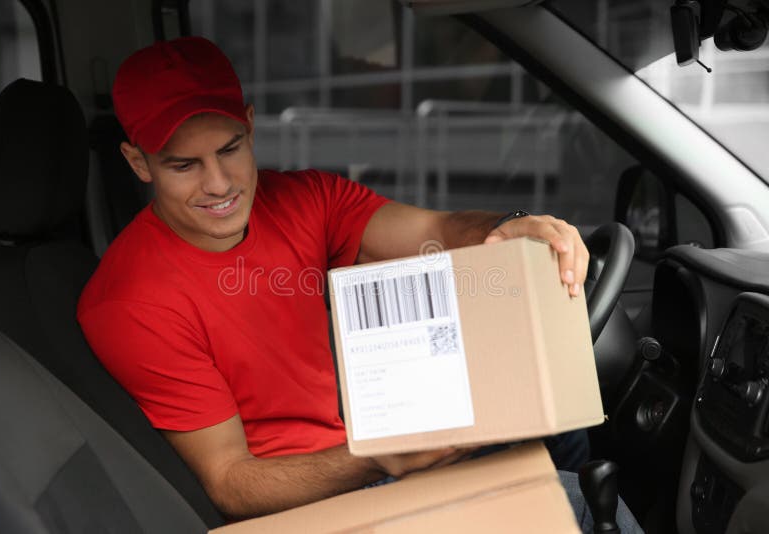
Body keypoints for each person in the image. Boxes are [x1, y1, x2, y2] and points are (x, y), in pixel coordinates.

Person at [77, 36, 641, 532]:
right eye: (184, 165)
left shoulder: (302, 198)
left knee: (558, 426)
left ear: (249, 125)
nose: (220, 183)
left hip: (364, 442)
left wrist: (507, 227)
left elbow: (436, 231)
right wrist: (378, 460)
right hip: (305, 506)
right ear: (138, 162)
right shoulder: (130, 300)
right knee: (583, 507)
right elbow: (230, 483)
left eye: (230, 149)